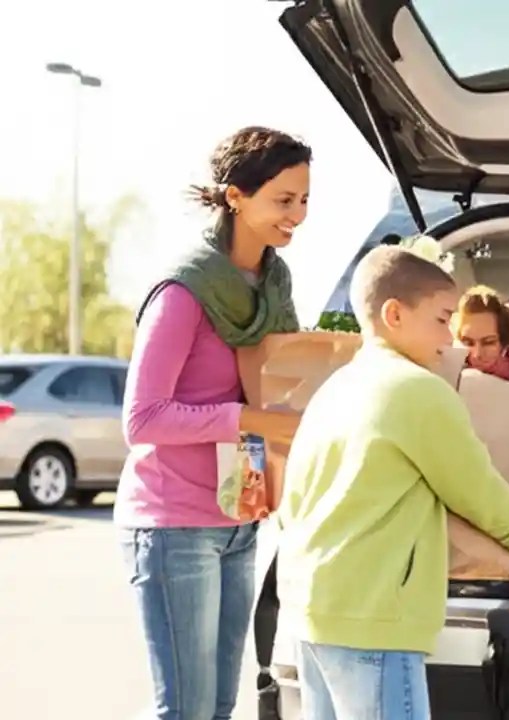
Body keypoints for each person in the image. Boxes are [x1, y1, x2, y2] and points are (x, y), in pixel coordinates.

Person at [276, 245, 509, 720]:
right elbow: (478, 490)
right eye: (442, 319)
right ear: (394, 314)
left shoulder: (336, 388)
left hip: (310, 613)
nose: (451, 340)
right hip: (372, 625)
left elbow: (292, 502)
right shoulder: (417, 389)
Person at [116, 126, 310, 720]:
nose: (297, 215)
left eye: (304, 200)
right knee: (188, 712)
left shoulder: (274, 285)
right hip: (174, 527)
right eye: (283, 200)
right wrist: (247, 418)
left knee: (221, 708)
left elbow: (286, 377)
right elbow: (142, 418)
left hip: (238, 516)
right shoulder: (184, 292)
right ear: (236, 197)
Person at [455, 284, 509, 383]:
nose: (477, 354)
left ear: (504, 341)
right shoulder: (452, 367)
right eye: (468, 343)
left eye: (488, 342)